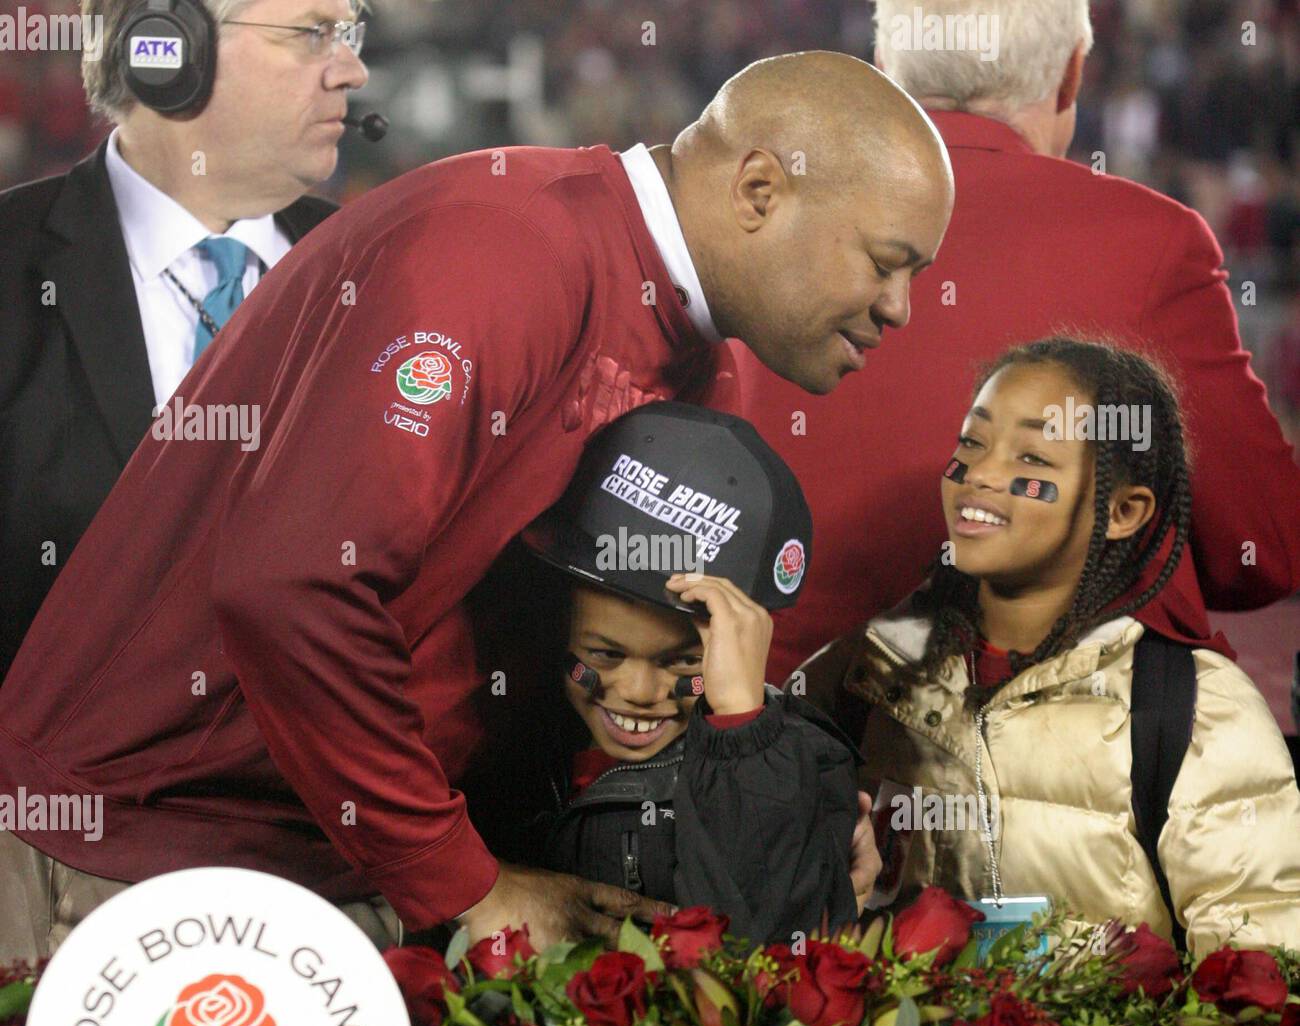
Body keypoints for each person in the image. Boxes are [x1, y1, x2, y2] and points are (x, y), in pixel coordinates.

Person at [0, 51, 954, 962]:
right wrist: (461, 881)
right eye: (885, 259)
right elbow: (293, 585)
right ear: (759, 190)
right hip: (130, 851)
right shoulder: (503, 250)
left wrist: (798, 817)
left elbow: (630, 679)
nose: (904, 307)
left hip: (337, 866)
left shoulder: (701, 369)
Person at [716, 0, 1300, 685]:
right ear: (1070, 76)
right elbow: (1262, 550)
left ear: (879, 74)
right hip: (1057, 755)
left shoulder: (757, 225)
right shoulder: (1153, 243)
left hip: (774, 743)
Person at [801, 337, 1300, 958]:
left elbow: (1256, 989)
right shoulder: (866, 672)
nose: (978, 475)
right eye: (971, 443)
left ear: (1122, 511)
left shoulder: (1196, 710)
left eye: (1032, 459)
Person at [0, 0, 370, 683]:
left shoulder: (382, 273)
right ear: (167, 49)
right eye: (315, 33)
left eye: (348, 34)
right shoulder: (9, 272)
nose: (351, 69)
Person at [494, 403, 873, 946]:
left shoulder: (801, 765)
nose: (638, 694)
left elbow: (762, 950)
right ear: (559, 631)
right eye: (603, 654)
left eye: (683, 662)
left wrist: (743, 725)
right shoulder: (508, 733)